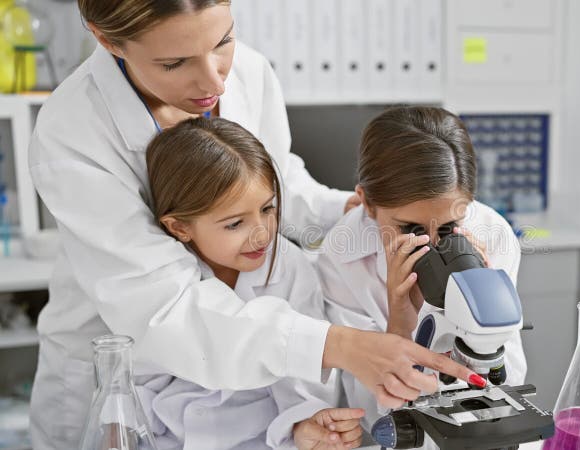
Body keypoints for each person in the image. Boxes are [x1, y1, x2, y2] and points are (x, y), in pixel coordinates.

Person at [28, 2, 474, 448]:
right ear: (107, 41)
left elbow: (276, 184)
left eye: (223, 41)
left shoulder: (249, 71)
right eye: (174, 63)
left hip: (245, 407)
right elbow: (165, 312)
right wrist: (340, 346)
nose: (215, 80)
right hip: (126, 378)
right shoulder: (74, 129)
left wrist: (373, 210)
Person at [137, 116, 361, 450]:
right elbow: (138, 386)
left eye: (268, 208)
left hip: (264, 440)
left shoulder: (290, 267)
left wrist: (305, 423)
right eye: (235, 223)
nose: (262, 233)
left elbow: (303, 384)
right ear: (180, 227)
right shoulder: (158, 281)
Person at [316, 106, 527, 433]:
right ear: (367, 204)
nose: (429, 245)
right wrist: (400, 321)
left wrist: (484, 300)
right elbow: (376, 412)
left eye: (448, 228)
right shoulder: (343, 257)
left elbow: (508, 381)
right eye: (410, 229)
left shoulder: (493, 234)